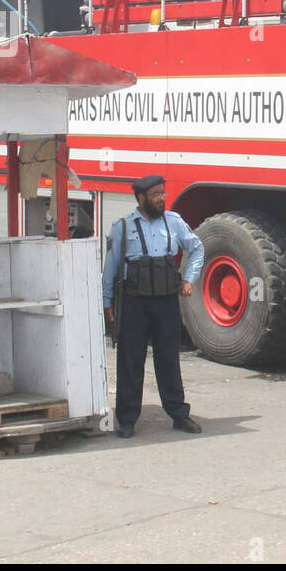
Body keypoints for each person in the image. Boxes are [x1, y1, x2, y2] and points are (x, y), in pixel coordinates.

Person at [102, 175, 205, 438]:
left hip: (166, 301)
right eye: (156, 194)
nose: (161, 199)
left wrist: (189, 279)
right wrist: (107, 302)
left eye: (163, 193)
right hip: (134, 302)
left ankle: (179, 414)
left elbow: (197, 248)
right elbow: (110, 268)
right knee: (130, 360)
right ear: (141, 198)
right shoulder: (123, 226)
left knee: (168, 359)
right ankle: (127, 419)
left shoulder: (174, 222)